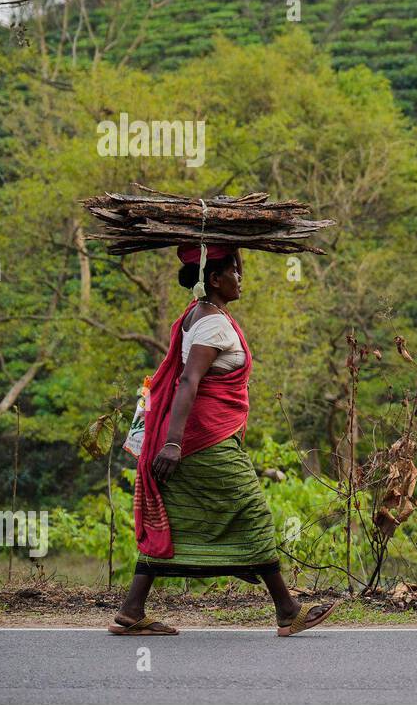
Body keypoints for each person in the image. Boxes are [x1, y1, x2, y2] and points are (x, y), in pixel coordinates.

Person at [109, 244, 334, 637]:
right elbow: (188, 381)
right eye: (233, 270)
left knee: (176, 518)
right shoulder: (212, 325)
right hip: (202, 443)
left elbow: (188, 375)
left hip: (197, 439)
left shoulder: (198, 314)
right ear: (214, 279)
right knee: (253, 511)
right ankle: (287, 610)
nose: (241, 277)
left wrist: (229, 240)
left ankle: (131, 609)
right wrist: (175, 444)